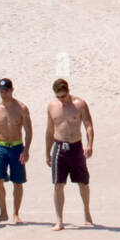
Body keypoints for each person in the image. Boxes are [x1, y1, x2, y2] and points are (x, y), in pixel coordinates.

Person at [46, 78, 94, 231]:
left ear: (68, 91)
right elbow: (49, 130)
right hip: (59, 147)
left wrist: (89, 145)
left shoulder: (79, 104)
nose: (62, 99)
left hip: (75, 147)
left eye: (64, 96)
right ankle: (59, 220)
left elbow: (88, 125)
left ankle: (87, 213)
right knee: (58, 184)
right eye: (59, 97)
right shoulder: (52, 106)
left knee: (83, 182)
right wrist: (47, 152)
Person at [0, 78, 32, 226]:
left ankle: (16, 213)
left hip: (17, 147)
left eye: (5, 91)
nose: (3, 94)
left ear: (12, 90)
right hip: (1, 147)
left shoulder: (21, 108)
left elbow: (29, 131)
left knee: (17, 182)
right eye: (1, 91)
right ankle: (3, 212)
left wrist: (26, 150)